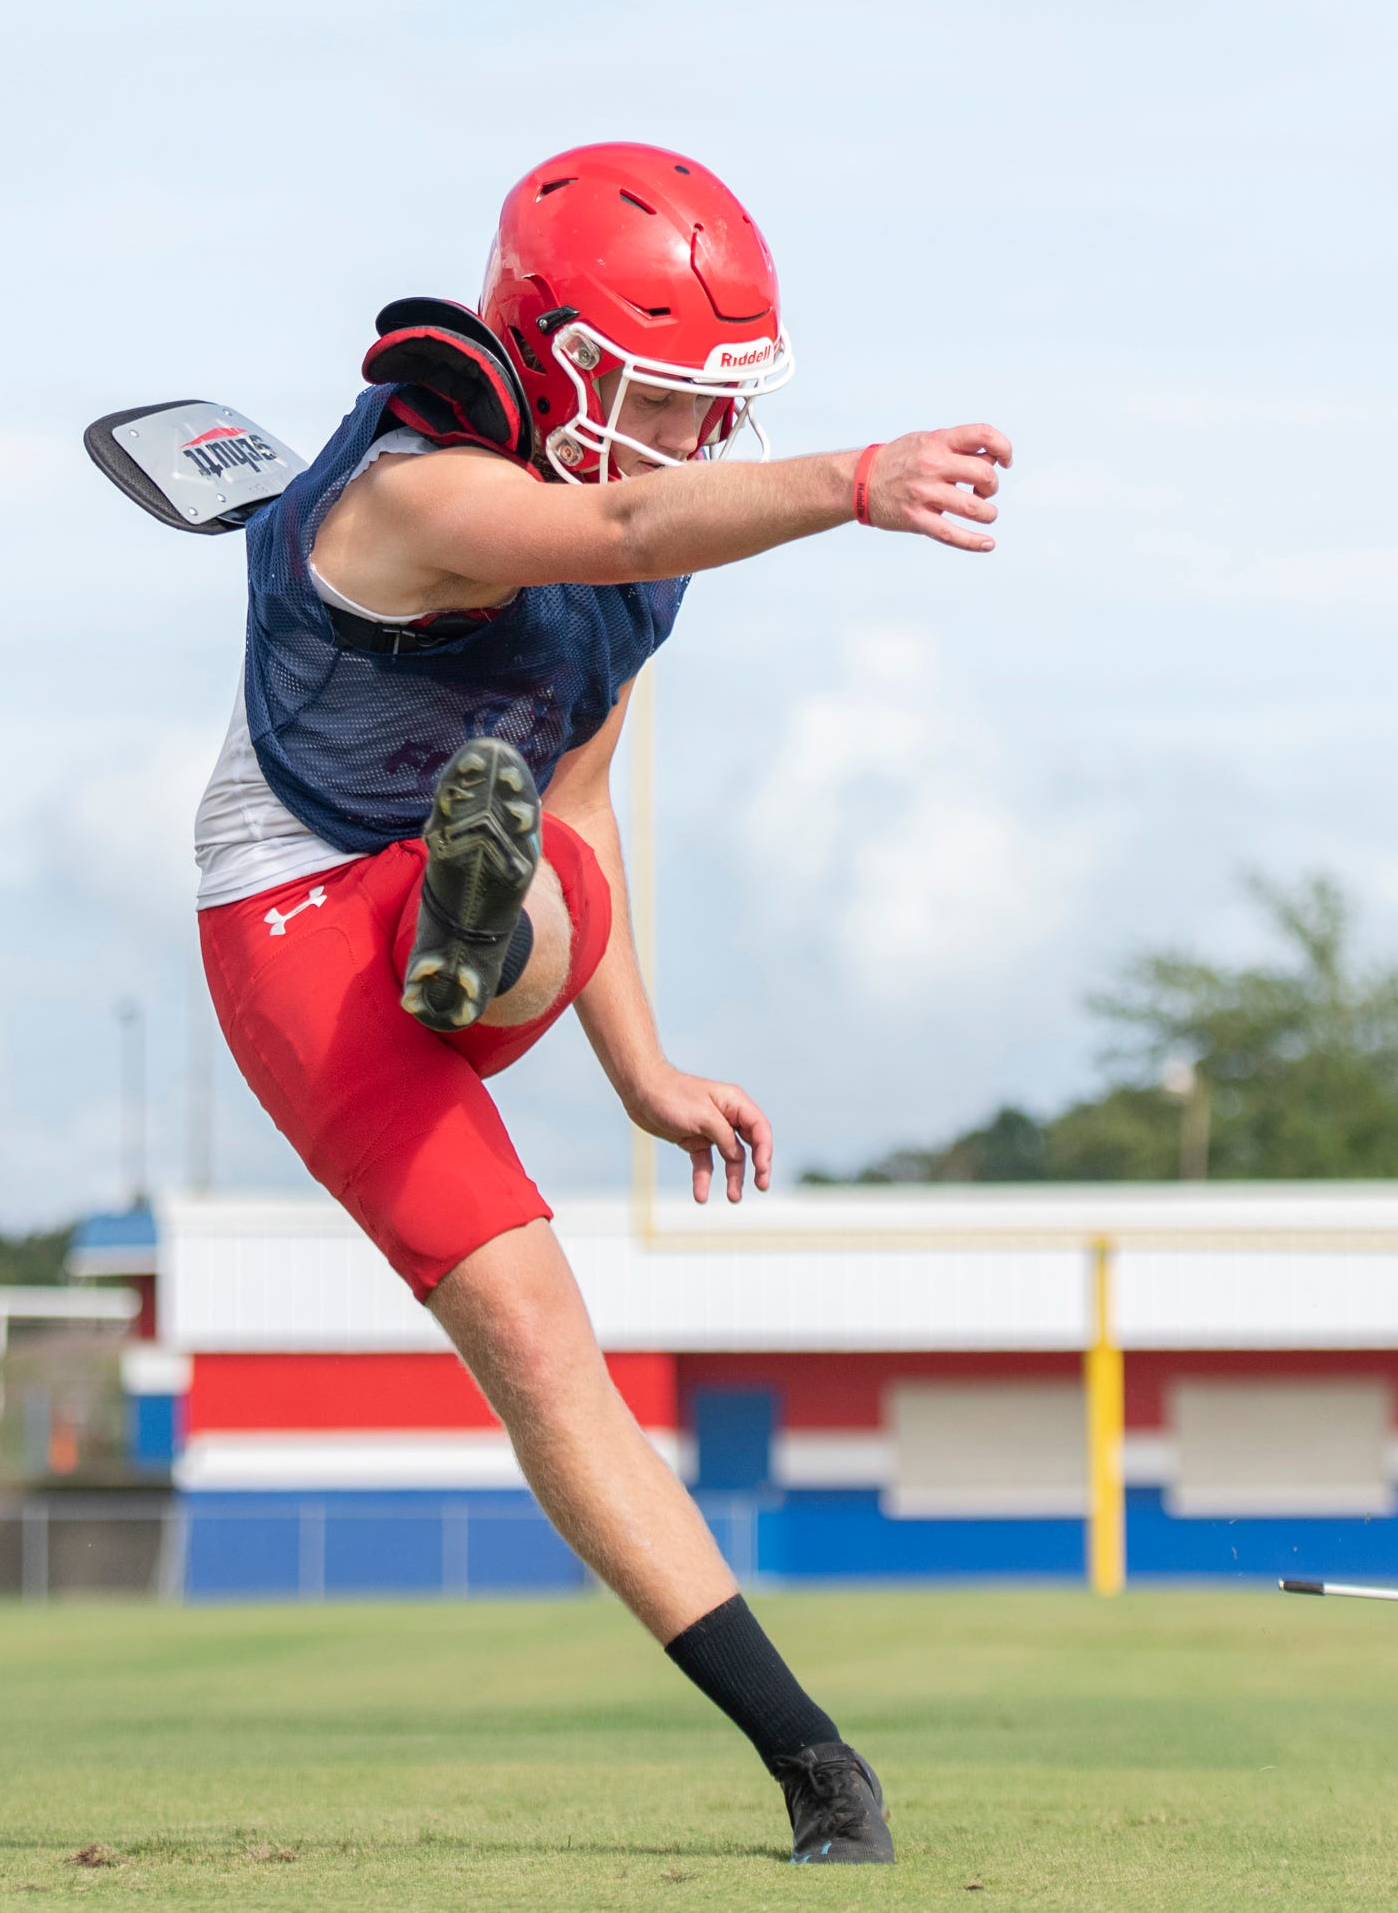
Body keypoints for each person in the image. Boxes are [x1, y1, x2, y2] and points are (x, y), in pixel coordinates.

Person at [191, 141, 1010, 1865]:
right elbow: (622, 516)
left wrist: (641, 1068)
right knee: (537, 1345)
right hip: (293, 904)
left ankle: (472, 933)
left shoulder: (661, 530)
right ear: (554, 358)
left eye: (723, 411)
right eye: (664, 397)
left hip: (484, 886)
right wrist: (856, 478)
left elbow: (578, 792)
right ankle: (814, 1762)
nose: (698, 441)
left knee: (534, 869)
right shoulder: (419, 493)